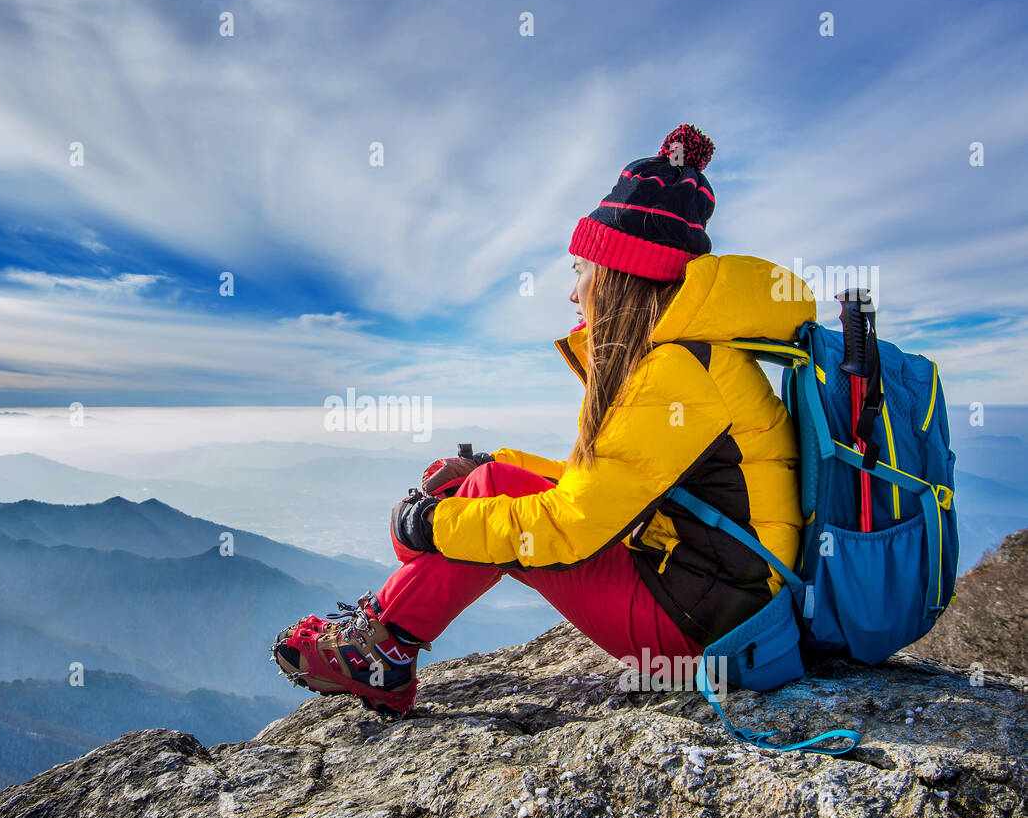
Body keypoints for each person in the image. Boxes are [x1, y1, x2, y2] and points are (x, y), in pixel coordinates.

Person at [272, 124, 815, 717]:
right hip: (709, 594)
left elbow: (571, 526)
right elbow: (613, 484)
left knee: (489, 514)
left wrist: (435, 526)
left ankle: (381, 653)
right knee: (489, 489)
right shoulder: (687, 355)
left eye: (580, 271)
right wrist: (493, 468)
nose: (573, 293)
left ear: (617, 273)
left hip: (706, 632)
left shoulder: (672, 374)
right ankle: (385, 645)